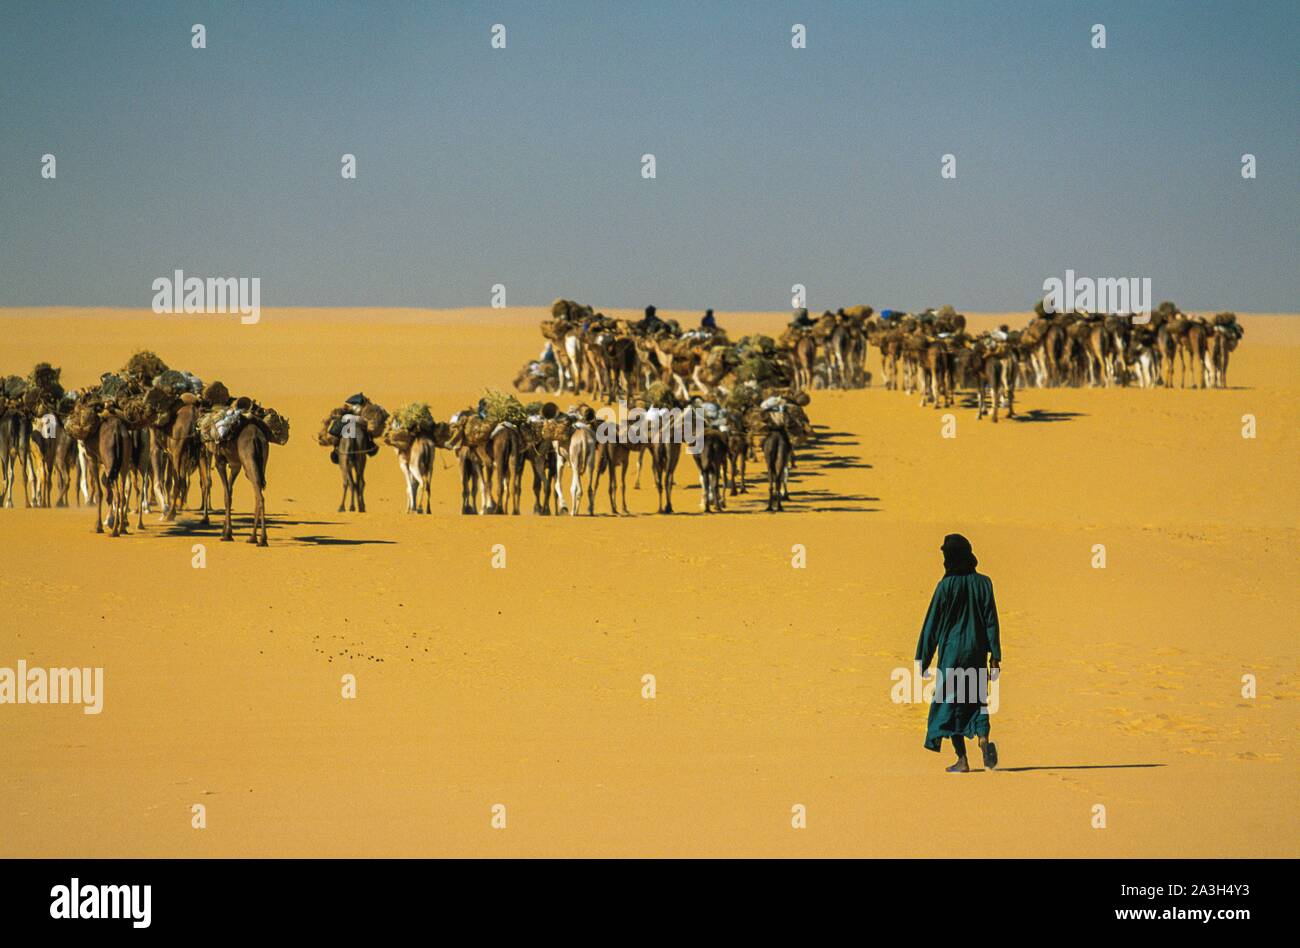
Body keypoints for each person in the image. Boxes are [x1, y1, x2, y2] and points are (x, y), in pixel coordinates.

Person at [914, 534, 1001, 772]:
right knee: (977, 700)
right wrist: (995, 654)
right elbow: (991, 620)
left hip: (952, 654)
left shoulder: (944, 587)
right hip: (976, 652)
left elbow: (931, 625)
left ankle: (962, 760)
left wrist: (922, 658)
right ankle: (983, 740)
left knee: (949, 704)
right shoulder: (984, 583)